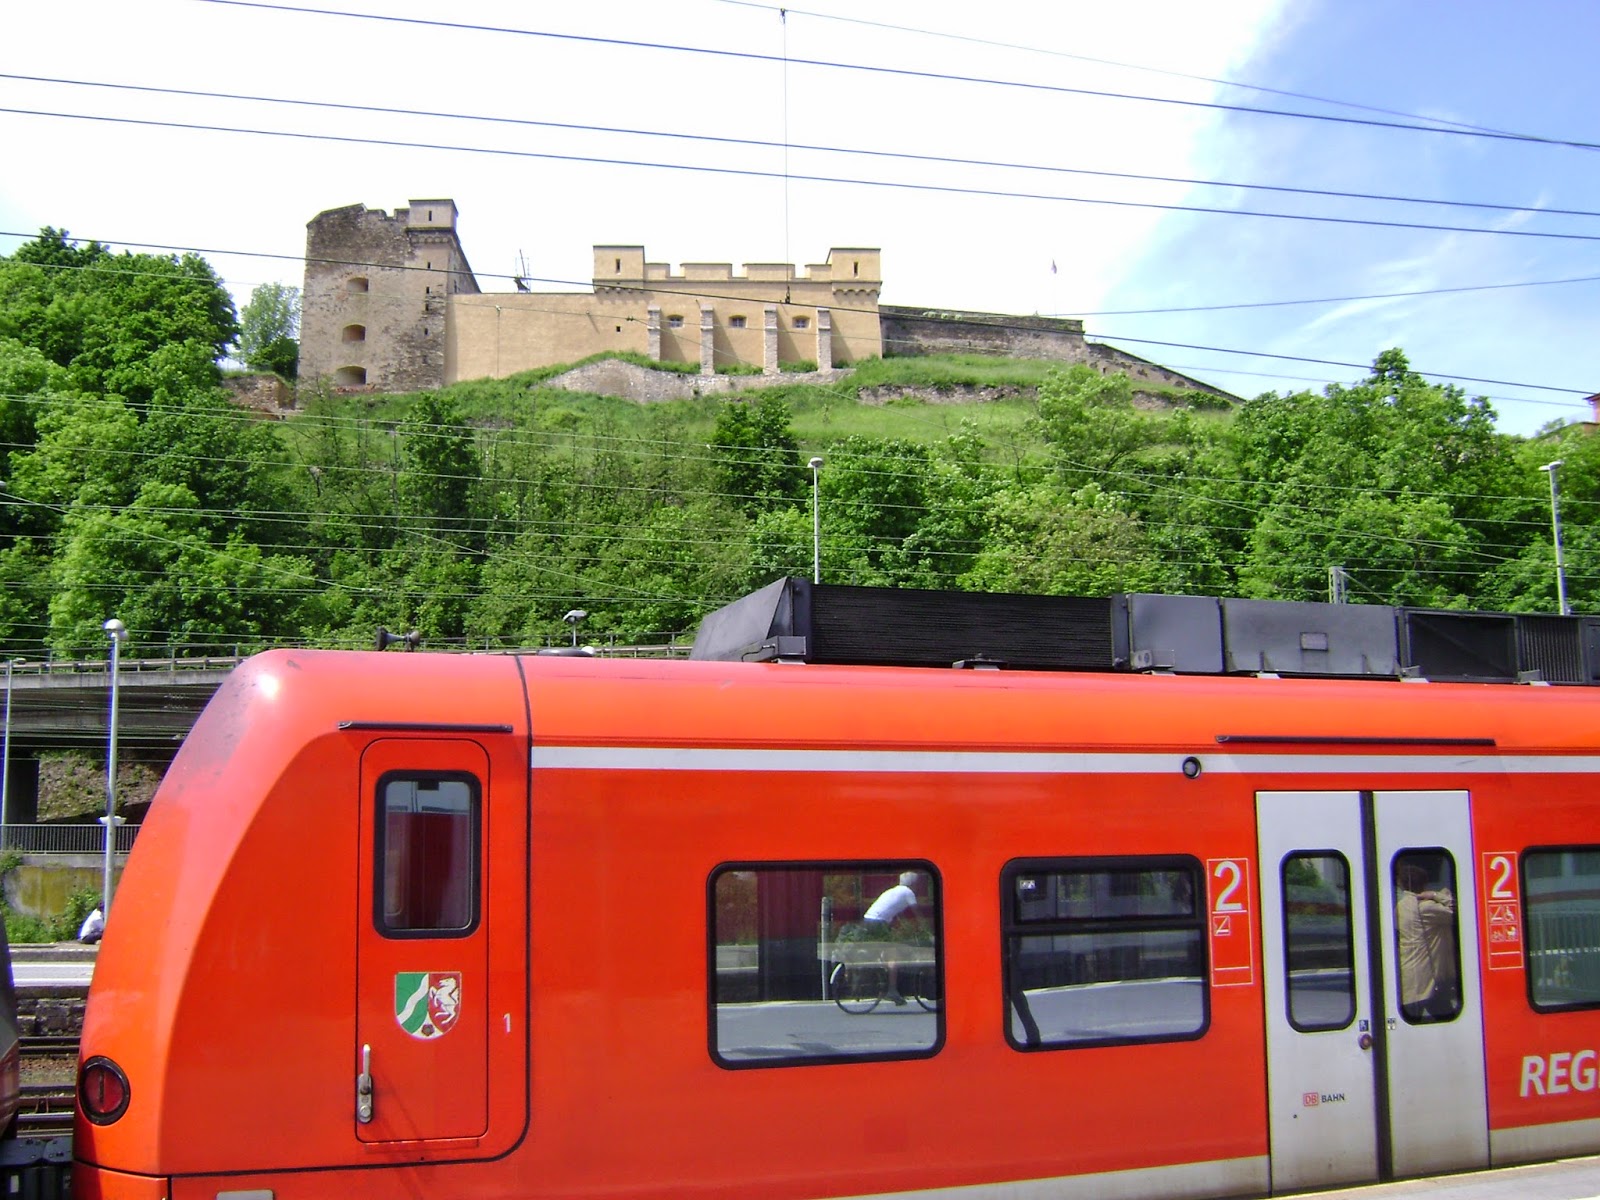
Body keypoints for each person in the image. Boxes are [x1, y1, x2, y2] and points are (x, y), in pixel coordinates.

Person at [1395, 863, 1457, 1020]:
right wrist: (1436, 895)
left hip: (1408, 975)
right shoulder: (1426, 907)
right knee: (1445, 1018)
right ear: (1424, 884)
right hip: (1427, 979)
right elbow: (1457, 910)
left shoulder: (1400, 907)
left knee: (1413, 1021)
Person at [862, 872, 920, 1005]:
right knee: (894, 955)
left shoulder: (892, 891)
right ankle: (892, 990)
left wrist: (904, 927)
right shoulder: (908, 893)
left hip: (869, 920)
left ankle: (883, 971)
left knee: (888, 947)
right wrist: (927, 930)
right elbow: (918, 914)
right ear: (913, 883)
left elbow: (896, 912)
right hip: (879, 923)